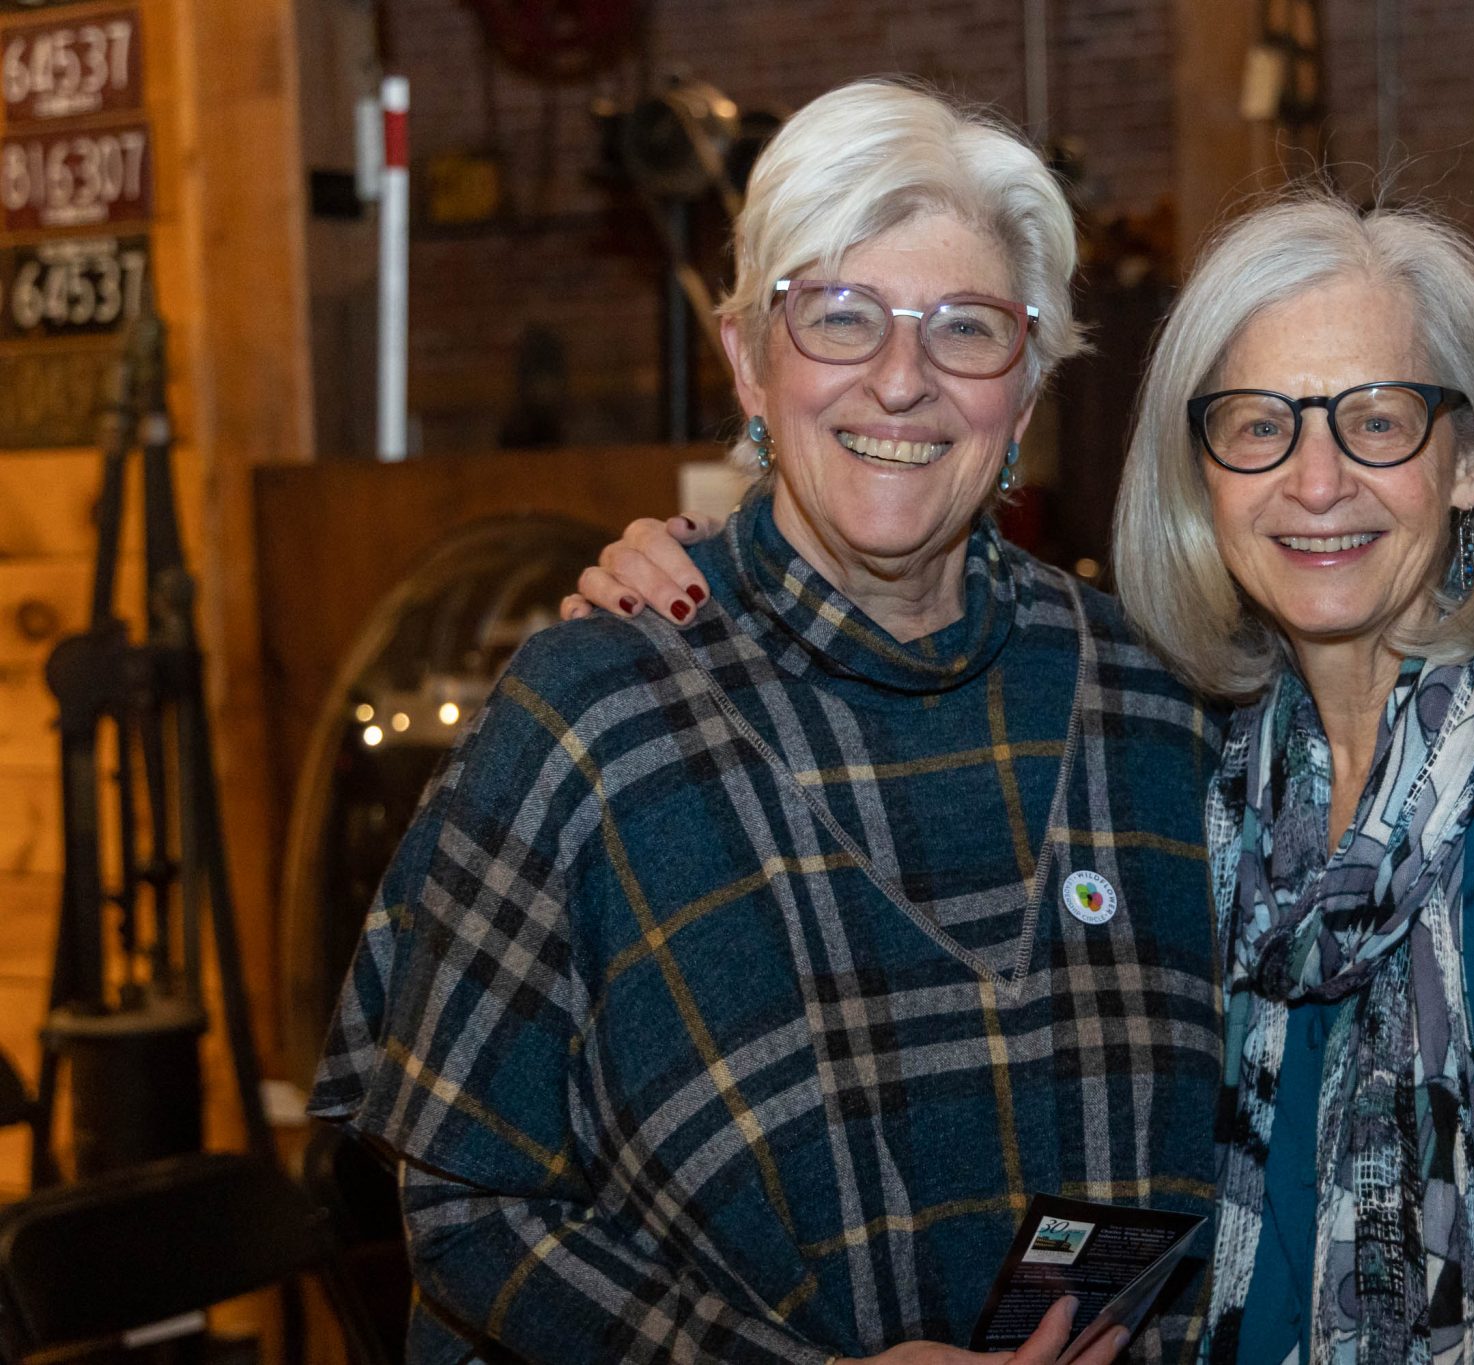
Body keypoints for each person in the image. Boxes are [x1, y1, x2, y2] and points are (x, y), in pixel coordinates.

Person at [575, 192, 1474, 1363]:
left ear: (1468, 459)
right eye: (1258, 424)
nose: (1313, 482)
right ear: (1204, 476)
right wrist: (697, 580)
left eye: (1374, 420)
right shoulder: (1188, 771)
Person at [312, 79, 1224, 1365]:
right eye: (840, 318)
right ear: (747, 360)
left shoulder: (1147, 704)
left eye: (965, 330)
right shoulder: (596, 715)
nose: (900, 382)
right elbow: (470, 1218)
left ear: (1022, 392)